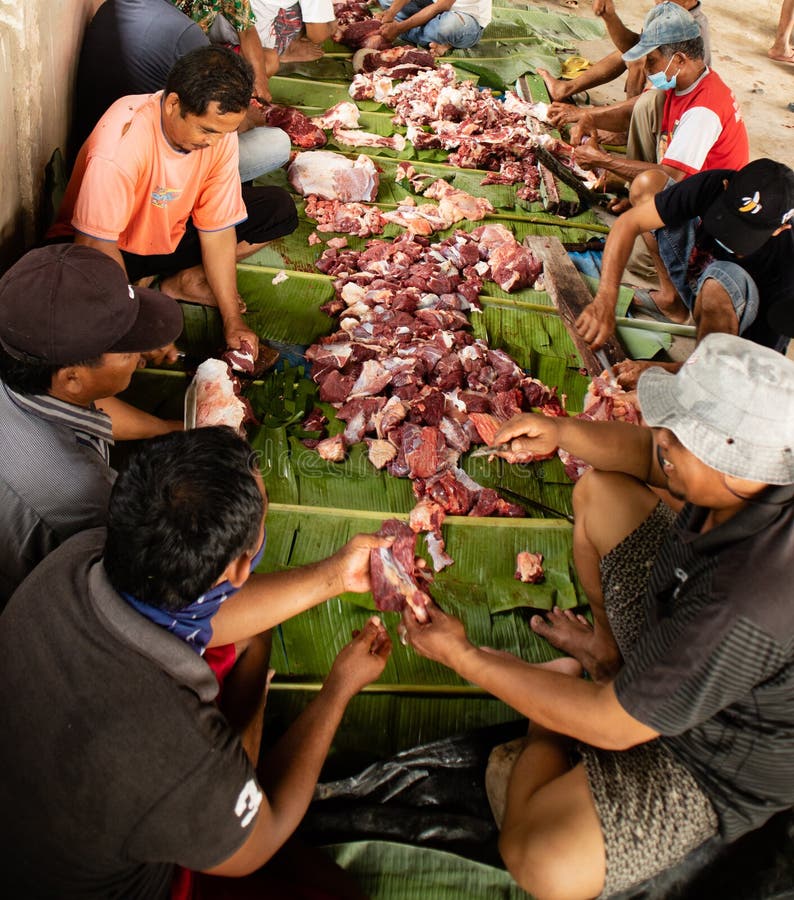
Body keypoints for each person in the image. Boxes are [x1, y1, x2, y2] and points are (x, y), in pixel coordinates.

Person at [401, 333, 794, 899]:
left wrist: (465, 658)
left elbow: (615, 725)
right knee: (602, 494)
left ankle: (550, 722)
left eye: (674, 440)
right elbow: (641, 456)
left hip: (717, 753)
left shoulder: (755, 594)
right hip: (676, 632)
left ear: (730, 457)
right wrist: (560, 433)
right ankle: (606, 653)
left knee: (541, 859)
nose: (659, 444)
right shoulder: (747, 480)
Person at [0, 425, 392, 897]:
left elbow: (218, 616)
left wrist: (334, 575)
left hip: (48, 785)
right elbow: (263, 839)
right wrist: (338, 689)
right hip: (118, 874)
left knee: (245, 640)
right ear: (239, 570)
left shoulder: (78, 559)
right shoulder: (172, 750)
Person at [51, 46, 298, 358]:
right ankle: (136, 285)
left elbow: (218, 229)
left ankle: (182, 281)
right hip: (107, 249)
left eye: (224, 133)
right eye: (206, 130)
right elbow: (95, 246)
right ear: (172, 104)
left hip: (168, 232)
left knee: (278, 210)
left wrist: (232, 321)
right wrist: (136, 326)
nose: (213, 142)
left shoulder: (218, 137)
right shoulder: (122, 145)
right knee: (70, 311)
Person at [0, 243, 183, 605]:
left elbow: (88, 406)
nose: (142, 355)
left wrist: (166, 429)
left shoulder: (19, 341)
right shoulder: (81, 491)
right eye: (129, 350)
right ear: (71, 378)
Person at [575, 157, 794, 387]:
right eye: (728, 221)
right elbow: (629, 223)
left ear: (781, 228)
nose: (731, 240)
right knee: (648, 185)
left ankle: (698, 365)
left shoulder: (787, 269)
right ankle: (673, 302)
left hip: (735, 314)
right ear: (726, 186)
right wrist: (605, 300)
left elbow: (754, 371)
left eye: (745, 234)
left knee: (720, 278)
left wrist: (663, 371)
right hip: (693, 276)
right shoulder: (714, 183)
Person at [71, 0, 291, 181]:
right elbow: (216, 122)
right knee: (276, 144)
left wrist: (259, 82)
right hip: (144, 171)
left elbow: (246, 29)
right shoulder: (184, 34)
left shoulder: (113, 5)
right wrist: (250, 118)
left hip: (89, 144)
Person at [565, 3, 747, 193]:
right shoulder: (689, 78)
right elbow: (630, 113)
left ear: (679, 59)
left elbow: (670, 176)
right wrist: (590, 118)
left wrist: (605, 161)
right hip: (685, 183)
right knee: (647, 102)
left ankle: (641, 196)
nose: (646, 70)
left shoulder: (703, 112)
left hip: (705, 205)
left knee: (645, 195)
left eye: (651, 61)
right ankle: (636, 191)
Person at [540, 0, 711, 106]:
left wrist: (585, 116)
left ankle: (628, 129)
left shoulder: (692, 29)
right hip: (661, 87)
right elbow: (634, 45)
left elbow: (656, 94)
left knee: (638, 60)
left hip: (674, 102)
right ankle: (565, 88)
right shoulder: (669, 11)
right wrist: (610, 17)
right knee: (634, 54)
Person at [375, 0, 492, 56]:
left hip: (465, 21)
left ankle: (411, 31)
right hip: (432, 7)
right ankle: (432, 38)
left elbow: (441, 6)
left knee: (448, 26)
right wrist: (391, 12)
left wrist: (399, 28)